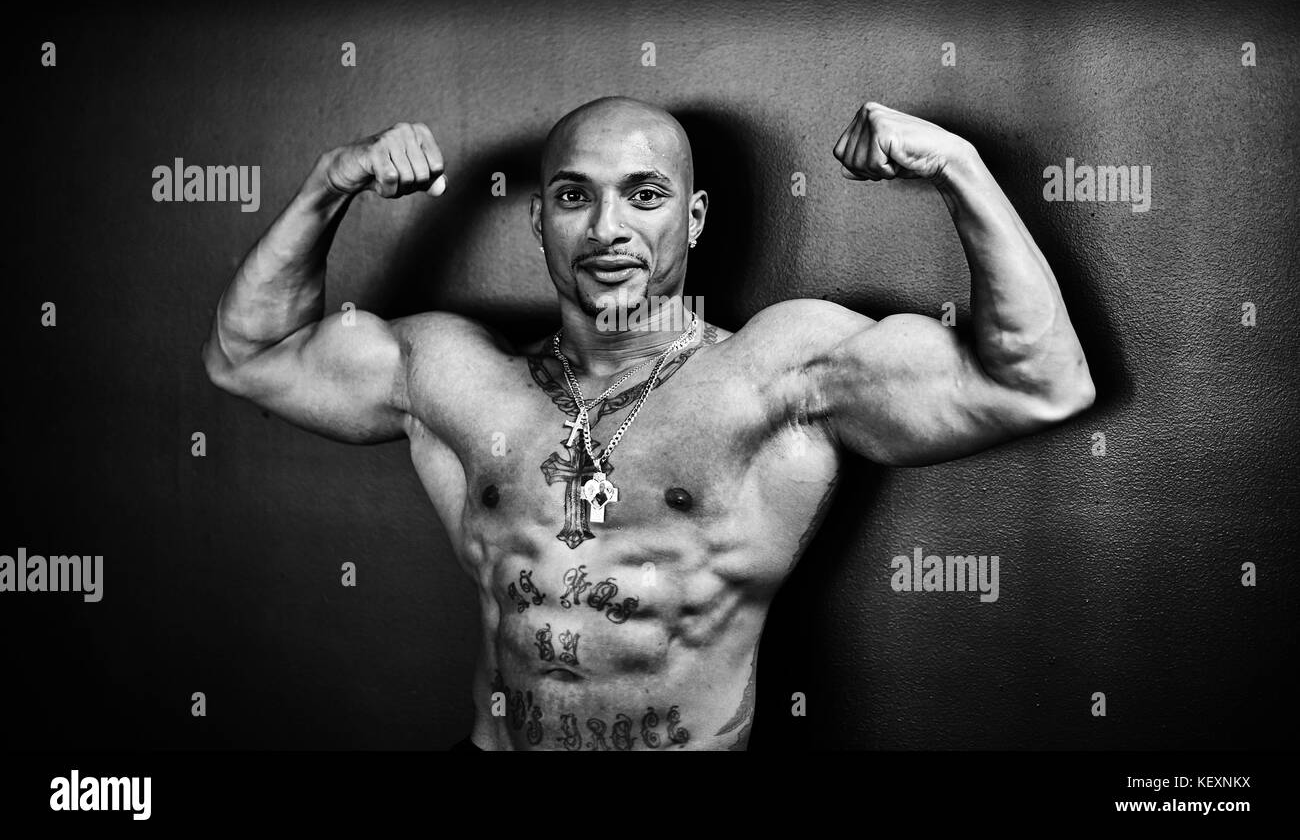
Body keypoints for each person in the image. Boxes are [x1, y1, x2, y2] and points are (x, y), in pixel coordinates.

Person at [201, 95, 1095, 750]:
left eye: (644, 194)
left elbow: (1038, 382)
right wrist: (332, 182)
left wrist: (957, 167)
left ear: (695, 218)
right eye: (572, 196)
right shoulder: (454, 377)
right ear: (540, 222)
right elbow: (249, 355)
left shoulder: (775, 373)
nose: (606, 227)